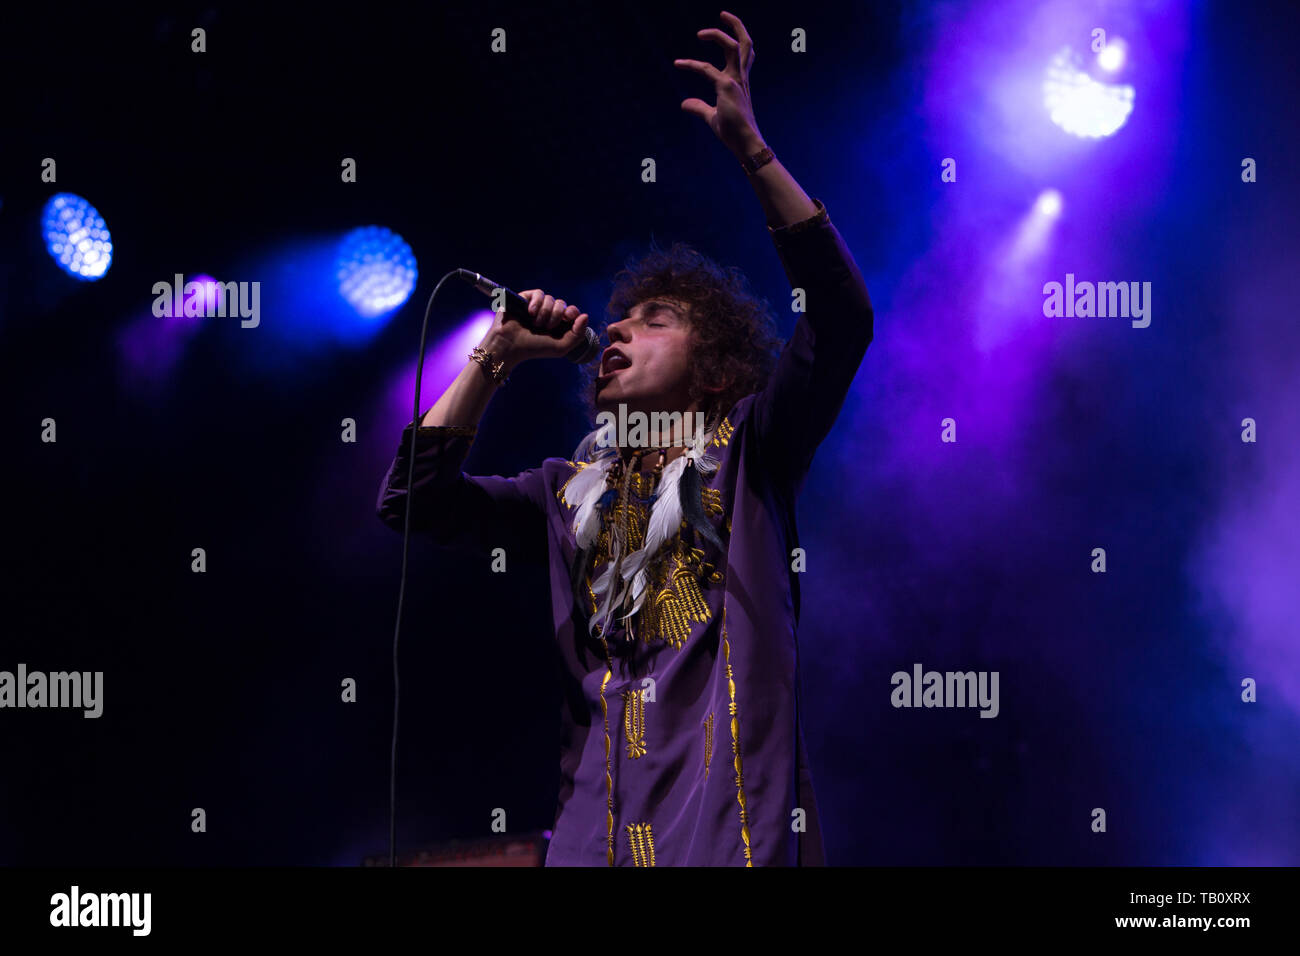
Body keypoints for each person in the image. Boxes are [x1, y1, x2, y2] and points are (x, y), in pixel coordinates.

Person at [376, 11, 873, 865]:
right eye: (616, 320)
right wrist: (496, 356)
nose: (617, 332)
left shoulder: (753, 446)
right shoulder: (567, 489)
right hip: (592, 845)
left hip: (726, 841)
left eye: (654, 320)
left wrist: (752, 150)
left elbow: (841, 313)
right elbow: (412, 501)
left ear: (716, 367)